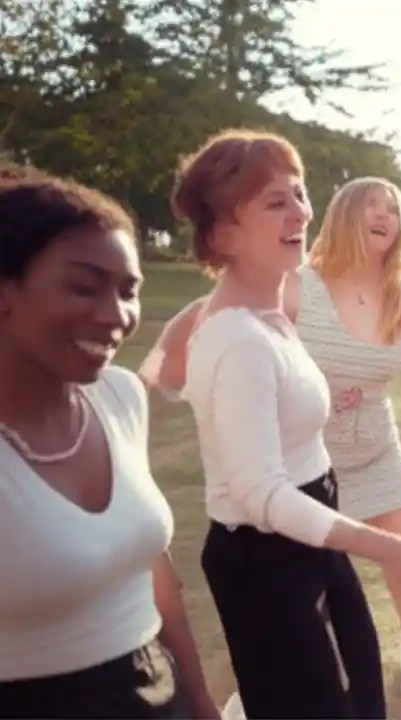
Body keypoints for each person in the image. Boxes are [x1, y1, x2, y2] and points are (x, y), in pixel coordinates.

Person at [167, 128, 401, 718]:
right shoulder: (243, 335)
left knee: (360, 692)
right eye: (276, 201)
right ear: (225, 231)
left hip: (313, 528)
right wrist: (390, 547)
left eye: (299, 195)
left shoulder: (270, 313)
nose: (300, 210)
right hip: (272, 547)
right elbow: (262, 496)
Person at [0, 171, 218, 717]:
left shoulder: (119, 397)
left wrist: (201, 701)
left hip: (154, 690)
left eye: (129, 291)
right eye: (84, 286)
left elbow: (153, 569)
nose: (116, 316)